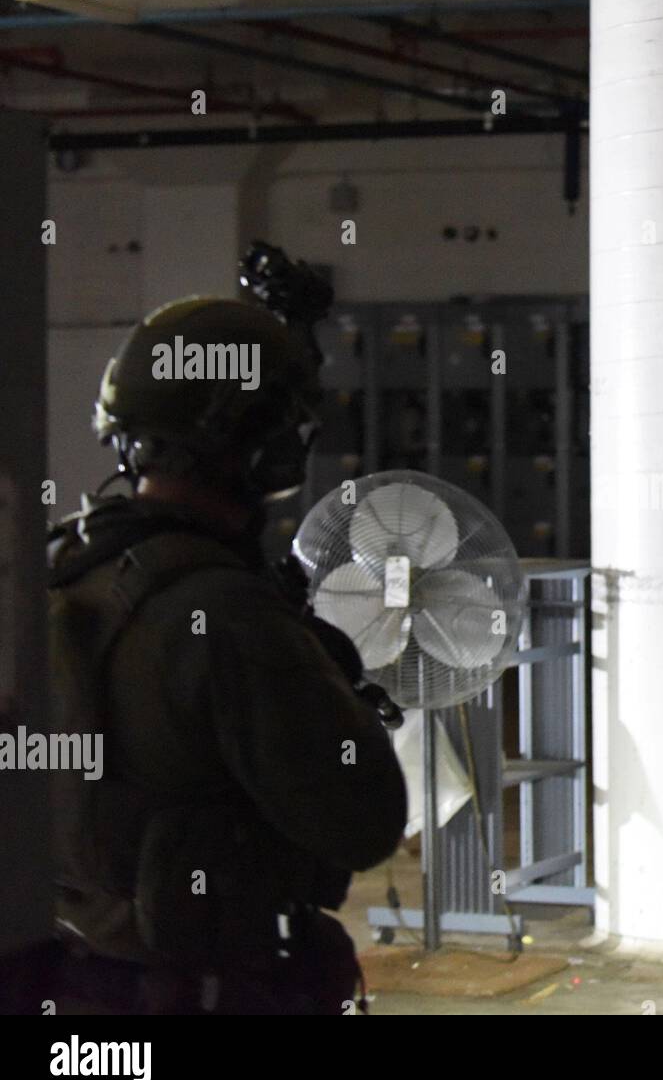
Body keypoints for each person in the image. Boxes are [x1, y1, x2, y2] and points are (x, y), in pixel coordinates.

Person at [45, 297, 406, 1014]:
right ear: (268, 451)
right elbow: (364, 819)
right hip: (204, 989)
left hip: (73, 984)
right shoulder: (227, 616)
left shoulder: (61, 569)